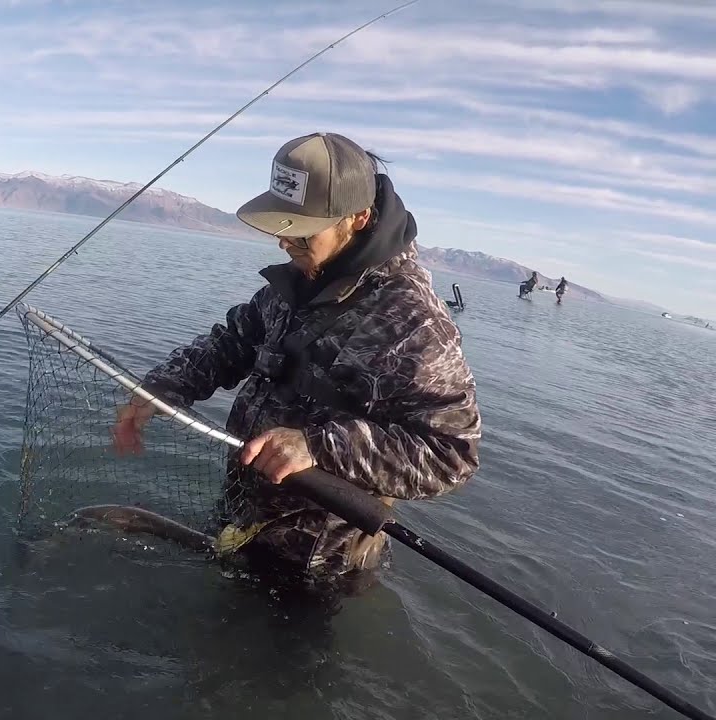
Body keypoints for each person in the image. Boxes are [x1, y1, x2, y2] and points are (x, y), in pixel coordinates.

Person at [111, 131, 481, 600]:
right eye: (282, 225)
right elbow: (231, 342)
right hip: (243, 515)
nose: (286, 241)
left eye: (302, 230)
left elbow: (452, 453)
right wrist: (161, 390)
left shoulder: (412, 321)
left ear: (358, 218)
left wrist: (319, 447)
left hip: (317, 563)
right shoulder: (300, 280)